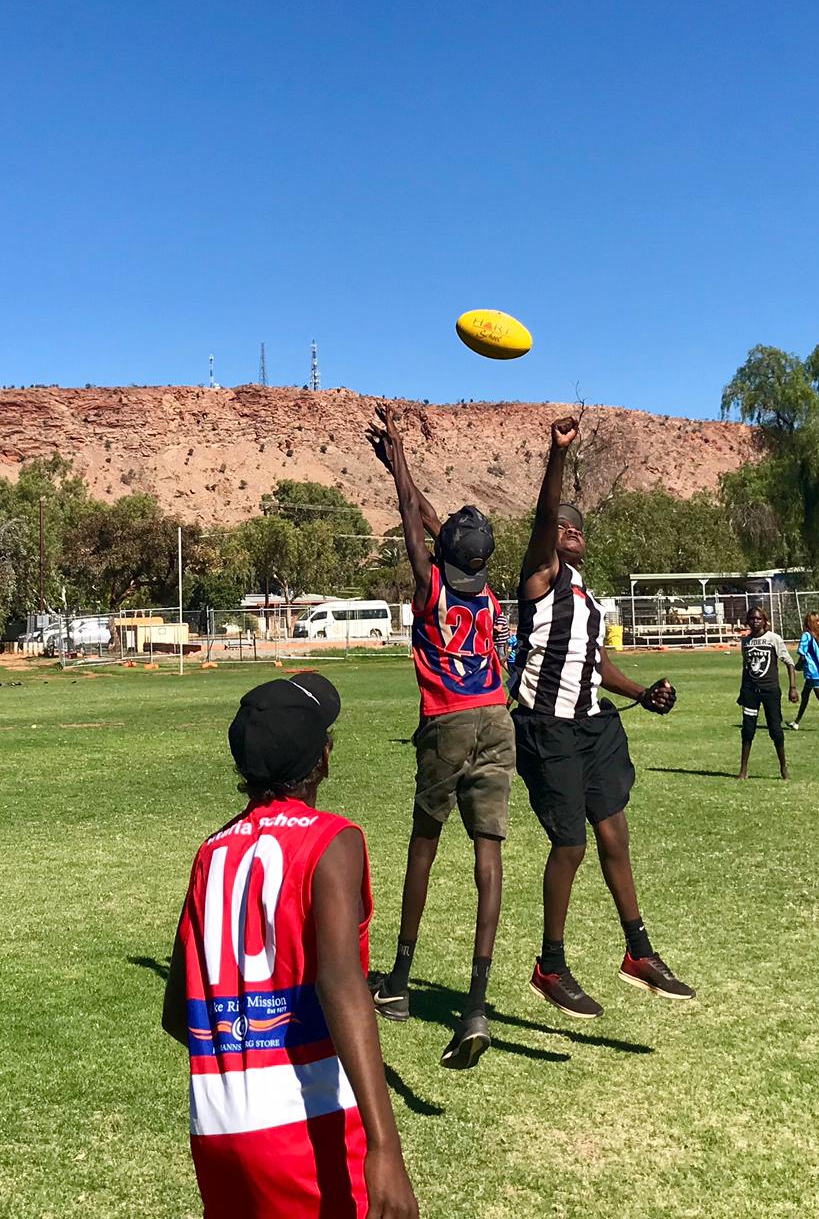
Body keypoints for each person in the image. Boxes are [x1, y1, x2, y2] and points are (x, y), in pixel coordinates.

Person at [162, 671, 418, 1219]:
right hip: (304, 1123)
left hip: (217, 1128)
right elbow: (341, 986)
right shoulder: (332, 841)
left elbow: (177, 1014)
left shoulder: (211, 853)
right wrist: (385, 1147)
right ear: (322, 759)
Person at [510, 416, 693, 1019]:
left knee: (615, 834)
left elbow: (597, 663)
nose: (570, 533)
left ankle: (638, 951)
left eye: (578, 529)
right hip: (547, 728)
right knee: (571, 844)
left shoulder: (587, 597)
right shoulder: (540, 577)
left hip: (594, 724)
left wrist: (642, 692)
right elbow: (544, 518)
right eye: (562, 527)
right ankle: (550, 965)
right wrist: (557, 454)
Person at [364, 405, 513, 1070]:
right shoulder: (486, 595)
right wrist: (394, 463)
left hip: (447, 720)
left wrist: (399, 458)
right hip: (496, 716)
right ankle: (476, 1004)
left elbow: (412, 520)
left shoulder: (431, 588)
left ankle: (397, 982)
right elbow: (430, 521)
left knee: (423, 847)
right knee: (489, 855)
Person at [736, 607, 794, 779]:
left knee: (775, 729)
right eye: (752, 619)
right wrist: (743, 691)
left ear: (764, 620)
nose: (755, 622)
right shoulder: (746, 642)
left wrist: (792, 687)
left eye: (758, 618)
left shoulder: (773, 639)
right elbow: (746, 667)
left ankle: (783, 767)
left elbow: (789, 663)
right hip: (750, 691)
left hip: (770, 691)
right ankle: (743, 770)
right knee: (748, 729)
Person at [787, 614, 819, 732]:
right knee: (805, 694)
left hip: (811, 670)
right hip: (818, 669)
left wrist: (799, 665)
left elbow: (802, 653)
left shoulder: (807, 635)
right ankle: (796, 722)